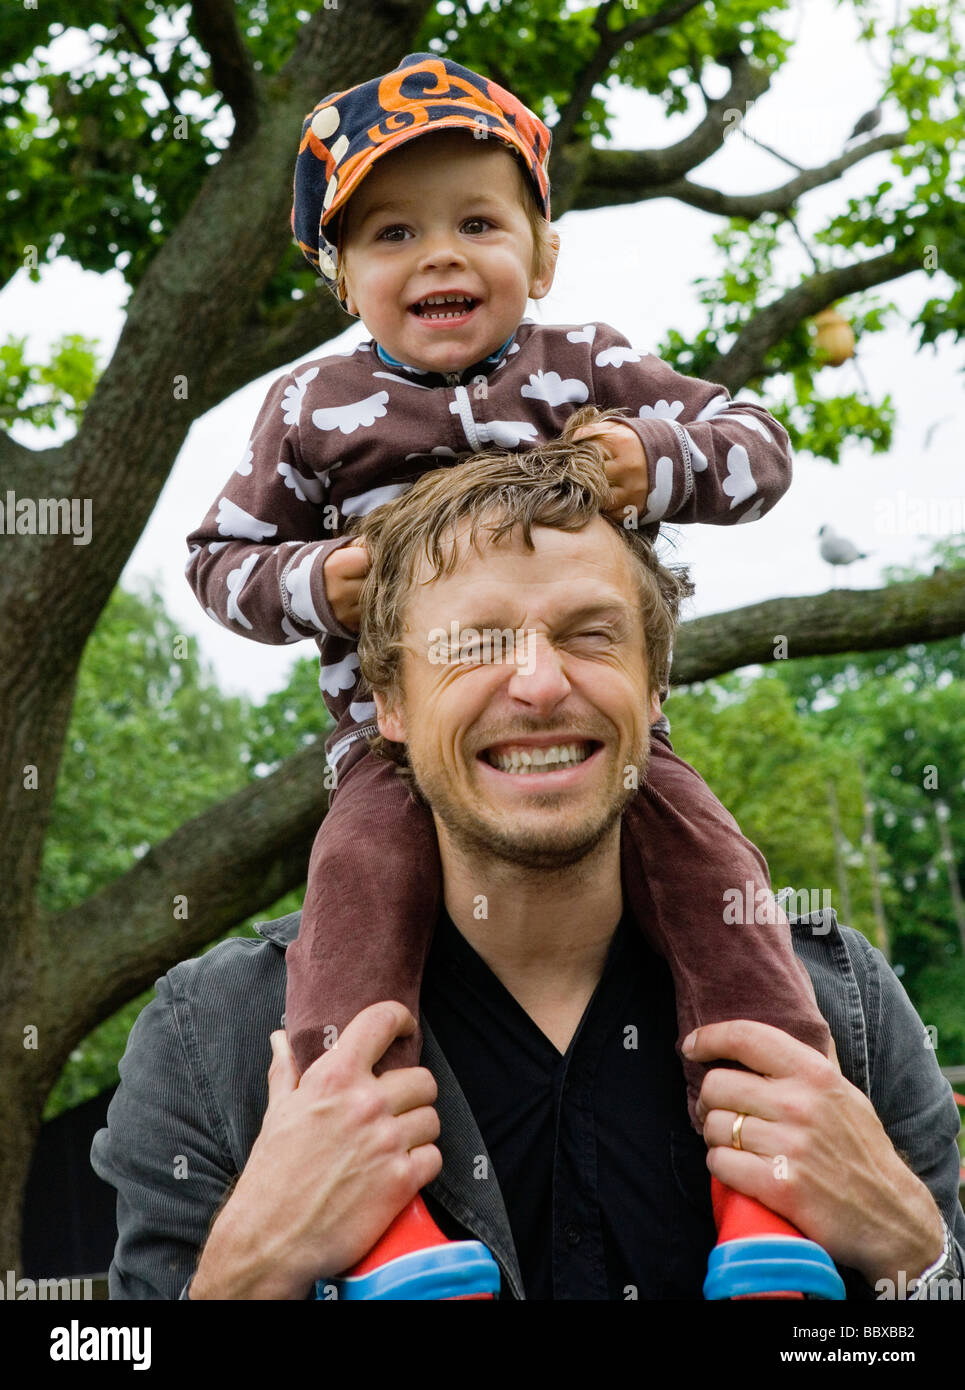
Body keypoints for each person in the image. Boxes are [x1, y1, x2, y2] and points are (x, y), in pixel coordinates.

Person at [94, 438, 964, 1300]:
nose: (539, 685)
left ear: (654, 687)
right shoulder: (210, 1041)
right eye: (474, 645)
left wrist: (913, 1253)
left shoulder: (846, 1010)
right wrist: (251, 1271)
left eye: (590, 635)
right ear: (388, 702)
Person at [183, 53, 831, 1155]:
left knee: (719, 878)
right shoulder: (311, 407)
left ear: (541, 256)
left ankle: (775, 1144)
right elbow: (215, 562)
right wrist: (316, 581)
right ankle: (350, 1152)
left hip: (605, 731)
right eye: (390, 234)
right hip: (391, 749)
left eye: (478, 223)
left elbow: (760, 445)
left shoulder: (586, 365)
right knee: (354, 892)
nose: (438, 251)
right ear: (340, 275)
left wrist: (650, 458)